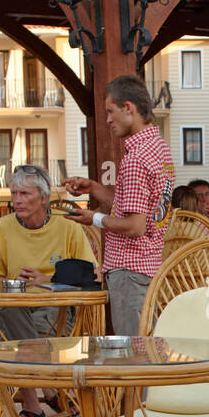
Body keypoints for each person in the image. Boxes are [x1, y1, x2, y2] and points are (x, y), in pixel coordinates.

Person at [63, 75, 175, 335]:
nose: (108, 120)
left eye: (110, 111)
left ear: (128, 108)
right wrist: (94, 188)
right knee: (147, 350)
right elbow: (141, 208)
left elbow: (135, 226)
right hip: (149, 266)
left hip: (129, 271)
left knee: (135, 357)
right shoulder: (159, 149)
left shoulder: (135, 159)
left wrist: (95, 219)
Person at [0, 164, 96, 417]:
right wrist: (14, 283)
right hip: (18, 310)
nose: (17, 200)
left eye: (24, 194)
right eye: (13, 193)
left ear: (44, 198)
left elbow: (91, 275)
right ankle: (51, 391)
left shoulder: (68, 228)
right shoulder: (3, 227)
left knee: (15, 340)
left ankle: (33, 406)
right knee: (6, 310)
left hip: (57, 313)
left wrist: (47, 280)